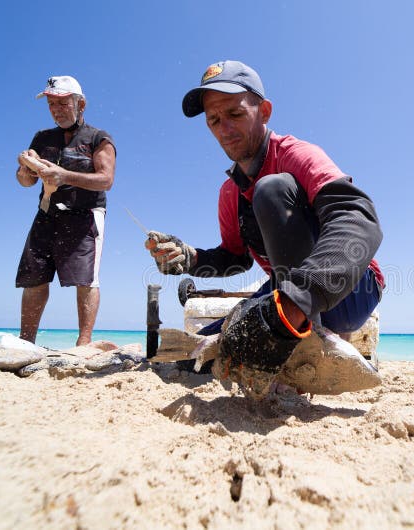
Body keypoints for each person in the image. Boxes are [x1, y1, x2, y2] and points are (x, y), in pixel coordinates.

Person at [146, 60, 384, 374]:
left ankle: (310, 340)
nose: (224, 130)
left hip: (352, 289)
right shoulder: (229, 193)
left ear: (265, 111)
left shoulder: (295, 155)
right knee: (197, 355)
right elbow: (236, 258)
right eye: (213, 120)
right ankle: (293, 327)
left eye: (235, 114)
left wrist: (298, 301)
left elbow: (356, 216)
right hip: (285, 289)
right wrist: (189, 259)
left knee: (272, 189)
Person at [15, 76, 116, 346]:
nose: (56, 110)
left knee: (86, 280)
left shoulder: (99, 138)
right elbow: (26, 182)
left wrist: (63, 176)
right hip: (47, 213)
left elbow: (106, 179)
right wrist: (25, 169)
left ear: (80, 103)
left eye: (63, 103)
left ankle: (83, 344)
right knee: (34, 277)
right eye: (51, 104)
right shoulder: (42, 138)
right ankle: (26, 343)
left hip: (85, 216)